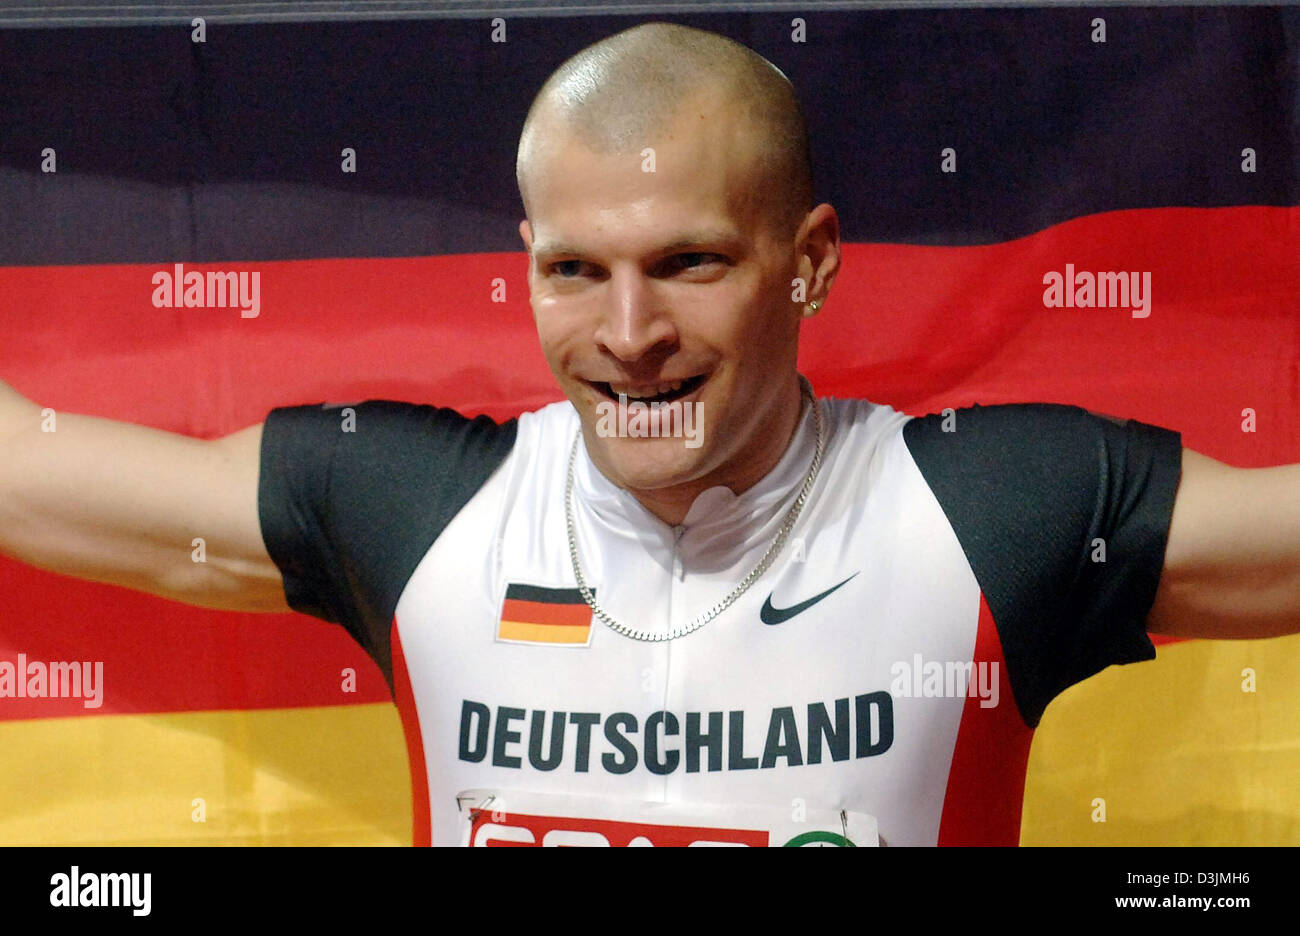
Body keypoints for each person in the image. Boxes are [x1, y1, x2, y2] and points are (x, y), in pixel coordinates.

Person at [1, 21, 1297, 846]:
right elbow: (23, 473)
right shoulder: (400, 502)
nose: (628, 333)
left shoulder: (999, 508)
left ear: (812, 261)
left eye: (688, 263)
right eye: (575, 271)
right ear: (526, 261)